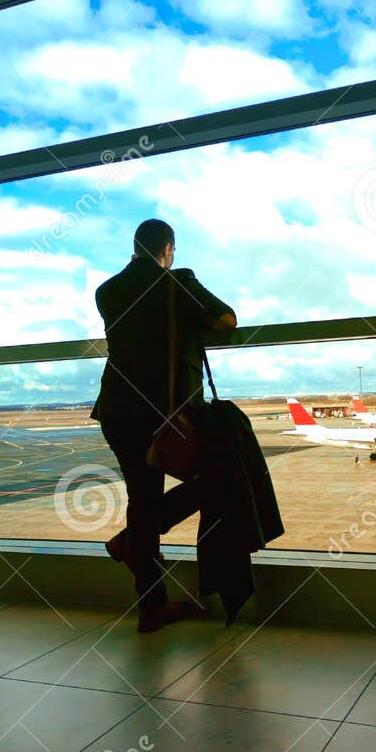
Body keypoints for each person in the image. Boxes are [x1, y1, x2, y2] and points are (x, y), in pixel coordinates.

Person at [92, 218, 236, 633]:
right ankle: (130, 543)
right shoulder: (178, 284)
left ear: (135, 247)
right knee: (217, 478)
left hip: (117, 410)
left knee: (142, 499)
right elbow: (225, 320)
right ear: (168, 249)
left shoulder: (106, 291)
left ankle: (152, 604)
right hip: (164, 414)